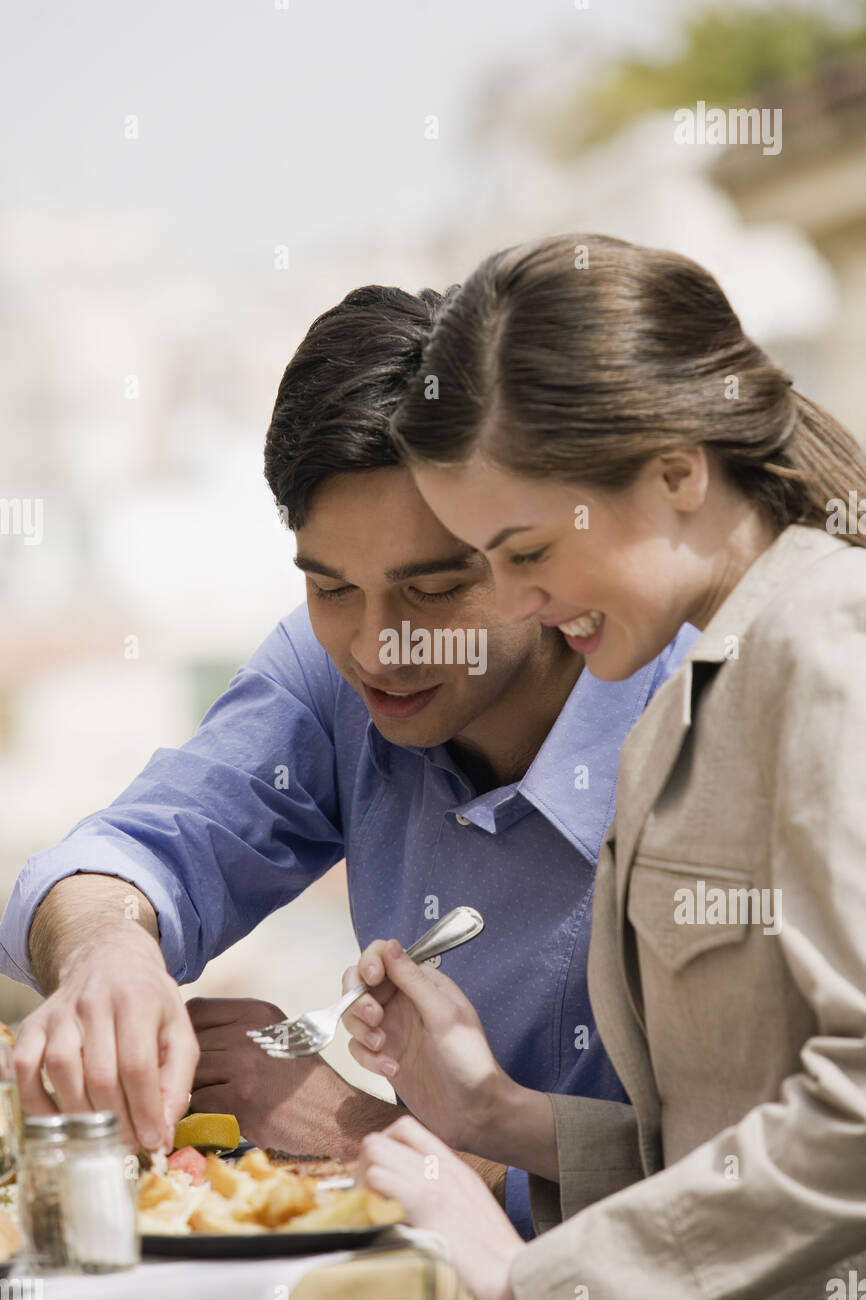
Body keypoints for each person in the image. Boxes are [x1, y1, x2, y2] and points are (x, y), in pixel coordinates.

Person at [0, 281, 697, 1239]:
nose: (378, 648)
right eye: (331, 588)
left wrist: (370, 1132)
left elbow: (765, 1175)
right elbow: (129, 852)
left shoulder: (708, 722)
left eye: (435, 588)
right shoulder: (331, 676)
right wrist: (109, 951)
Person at [341, 232, 866, 1298]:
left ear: (677, 470)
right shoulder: (685, 696)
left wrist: (537, 1279)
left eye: (529, 551)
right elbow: (718, 1144)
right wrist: (488, 1109)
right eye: (485, 562)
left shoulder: (824, 655)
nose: (519, 602)